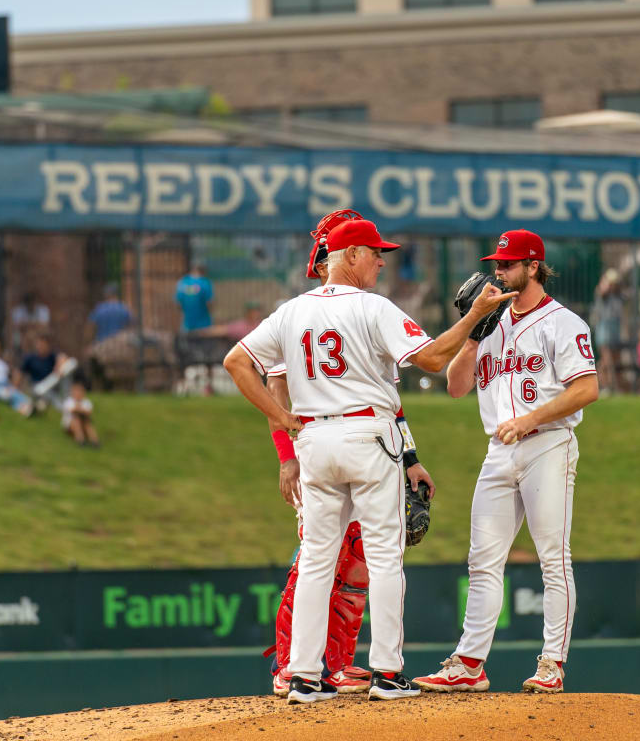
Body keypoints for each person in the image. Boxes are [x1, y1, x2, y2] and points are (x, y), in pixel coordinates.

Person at [224, 214, 514, 704]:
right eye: (375, 252)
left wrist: (284, 418)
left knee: (317, 559)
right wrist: (472, 317)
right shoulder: (373, 307)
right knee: (383, 558)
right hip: (366, 437)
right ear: (350, 256)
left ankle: (303, 677)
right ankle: (386, 673)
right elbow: (430, 359)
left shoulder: (292, 311)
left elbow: (237, 361)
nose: (381, 260)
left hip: (314, 439)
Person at [418, 228, 599, 696]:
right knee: (482, 560)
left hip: (547, 443)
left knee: (553, 558)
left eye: (508, 264)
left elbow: (586, 389)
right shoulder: (492, 324)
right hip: (499, 449)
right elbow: (456, 387)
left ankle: (552, 663)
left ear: (534, 266)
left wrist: (531, 419)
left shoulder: (564, 323)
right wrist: (474, 335)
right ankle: (470, 663)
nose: (498, 271)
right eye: (497, 264)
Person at [264, 211, 436, 698]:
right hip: (322, 441)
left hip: (347, 439)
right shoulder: (310, 310)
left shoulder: (332, 310)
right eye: (372, 250)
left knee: (350, 559)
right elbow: (275, 386)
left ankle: (329, 665)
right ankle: (292, 665)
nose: (380, 260)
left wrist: (410, 456)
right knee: (320, 559)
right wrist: (286, 455)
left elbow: (385, 395)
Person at [19, 334, 77, 412]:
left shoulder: (52, 356)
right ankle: (64, 408)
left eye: (43, 345)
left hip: (51, 384)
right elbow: (20, 373)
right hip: (36, 387)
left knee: (67, 372)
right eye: (39, 344)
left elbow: (64, 357)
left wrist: (59, 365)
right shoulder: (30, 358)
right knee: (45, 393)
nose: (41, 347)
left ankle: (68, 400)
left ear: (48, 346)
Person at [591, 269, 626, 394]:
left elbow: (624, 296)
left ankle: (606, 385)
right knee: (606, 359)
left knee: (613, 360)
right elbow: (603, 291)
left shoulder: (618, 295)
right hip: (604, 326)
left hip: (615, 328)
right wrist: (606, 282)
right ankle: (608, 387)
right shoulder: (602, 291)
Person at [0, 337, 33, 417]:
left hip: (5, 385)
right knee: (10, 394)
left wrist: (11, 385)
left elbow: (8, 375)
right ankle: (29, 403)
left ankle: (25, 408)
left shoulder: (2, 363)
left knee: (12, 393)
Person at [175, 264, 214, 333]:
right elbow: (209, 303)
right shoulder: (205, 283)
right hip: (203, 325)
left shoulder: (182, 282)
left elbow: (178, 303)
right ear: (203, 271)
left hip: (187, 325)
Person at [62, 380, 99, 447]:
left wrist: (79, 409)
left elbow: (88, 413)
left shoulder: (86, 401)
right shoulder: (69, 401)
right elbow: (72, 410)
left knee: (88, 423)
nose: (78, 394)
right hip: (70, 425)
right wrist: (81, 409)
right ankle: (80, 440)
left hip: (84, 423)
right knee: (76, 420)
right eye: (76, 392)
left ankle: (94, 441)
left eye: (80, 392)